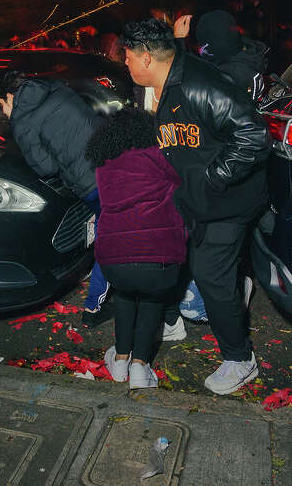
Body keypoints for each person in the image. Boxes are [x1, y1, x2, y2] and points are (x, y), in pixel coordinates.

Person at [119, 18, 270, 395]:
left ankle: (240, 358)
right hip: (188, 195)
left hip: (227, 200)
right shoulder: (149, 89)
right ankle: (171, 322)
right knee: (168, 254)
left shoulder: (202, 84)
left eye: (127, 55)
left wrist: (212, 179)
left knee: (209, 273)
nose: (124, 62)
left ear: (146, 57)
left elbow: (253, 135)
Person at [0, 70, 109, 324]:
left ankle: (94, 307)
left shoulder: (22, 120)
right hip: (112, 160)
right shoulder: (57, 88)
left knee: (111, 240)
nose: (3, 111)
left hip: (92, 183)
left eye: (1, 105)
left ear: (10, 96)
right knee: (110, 229)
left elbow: (46, 167)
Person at [86, 108, 187, 389]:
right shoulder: (161, 155)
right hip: (160, 256)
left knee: (125, 295)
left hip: (114, 257)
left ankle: (120, 360)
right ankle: (140, 367)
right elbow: (182, 187)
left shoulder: (104, 163)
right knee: (153, 298)